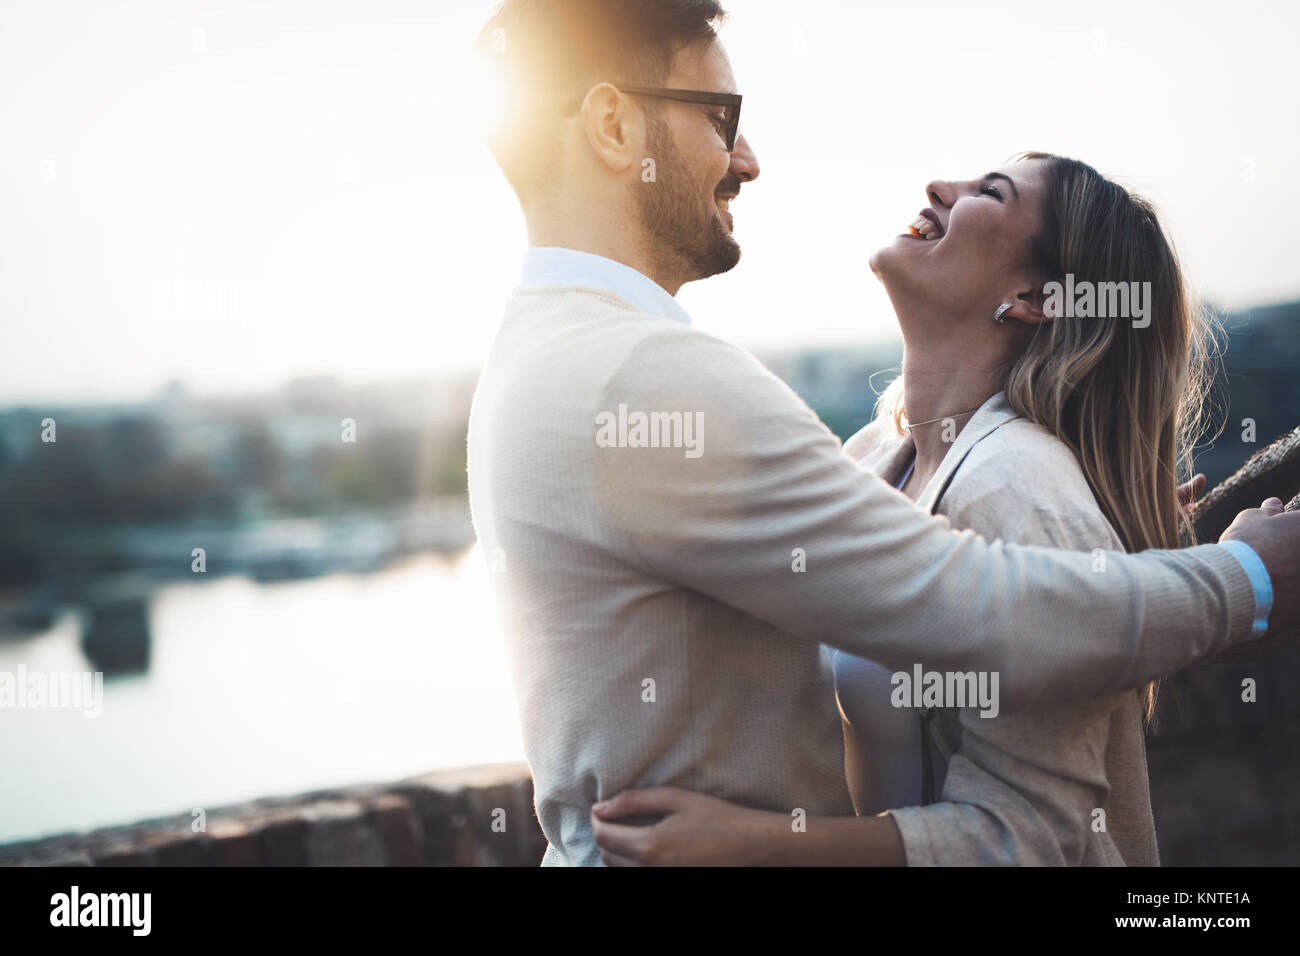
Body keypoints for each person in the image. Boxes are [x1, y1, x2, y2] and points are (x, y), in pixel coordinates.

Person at [466, 0, 1297, 866]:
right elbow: (980, 606)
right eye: (721, 119)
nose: (746, 160)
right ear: (612, 126)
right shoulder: (650, 377)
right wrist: (1245, 579)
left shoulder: (531, 362)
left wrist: (1111, 560)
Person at [590, 153, 1215, 865]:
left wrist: (750, 845)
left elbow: (1033, 842)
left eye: (991, 193)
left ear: (1035, 298)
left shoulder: (1017, 487)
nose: (939, 187)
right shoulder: (873, 457)